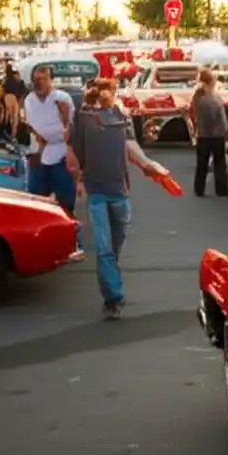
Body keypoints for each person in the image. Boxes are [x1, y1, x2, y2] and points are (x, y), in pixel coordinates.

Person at [70, 78, 161, 320]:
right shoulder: (84, 118)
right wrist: (78, 181)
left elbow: (131, 145)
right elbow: (75, 151)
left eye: (108, 91)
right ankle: (113, 298)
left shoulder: (122, 117)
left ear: (114, 94)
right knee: (104, 248)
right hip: (96, 191)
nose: (105, 96)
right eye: (101, 92)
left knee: (115, 247)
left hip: (119, 191)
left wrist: (148, 164)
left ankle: (111, 276)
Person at [25, 65, 85, 261]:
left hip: (60, 154)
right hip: (39, 154)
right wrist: (36, 149)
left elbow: (71, 128)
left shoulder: (62, 98)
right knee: (36, 202)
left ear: (50, 80)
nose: (40, 83)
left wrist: (64, 119)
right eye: (36, 79)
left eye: (43, 79)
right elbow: (31, 126)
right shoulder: (29, 100)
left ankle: (74, 244)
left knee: (66, 203)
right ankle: (41, 245)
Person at [190, 68, 228, 197]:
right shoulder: (213, 98)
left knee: (202, 164)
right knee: (219, 163)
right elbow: (219, 117)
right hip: (216, 134)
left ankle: (199, 189)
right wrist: (225, 129)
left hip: (203, 134)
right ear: (211, 81)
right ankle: (221, 190)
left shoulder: (198, 97)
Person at [1, 63, 27, 139]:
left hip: (7, 97)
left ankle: (4, 131)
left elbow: (2, 89)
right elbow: (22, 89)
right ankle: (13, 134)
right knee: (14, 117)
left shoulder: (5, 80)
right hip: (14, 98)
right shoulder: (17, 80)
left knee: (8, 116)